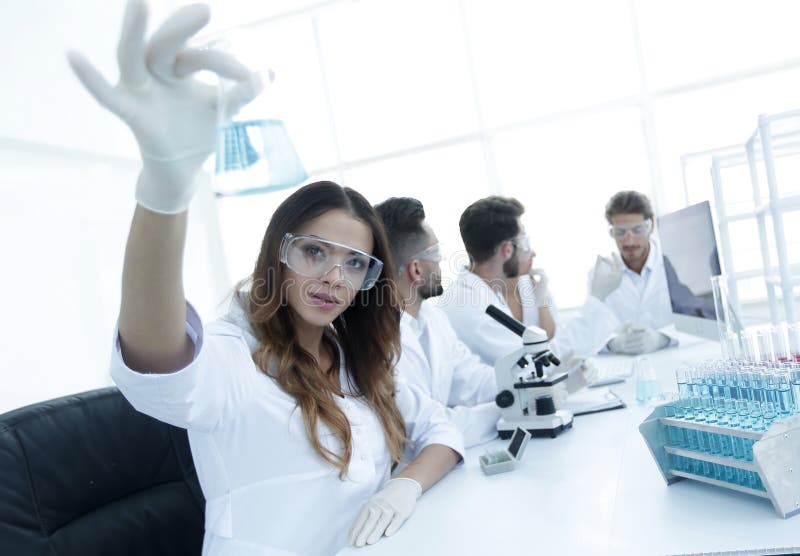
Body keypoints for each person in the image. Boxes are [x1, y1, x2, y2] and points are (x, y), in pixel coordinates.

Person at [68, 2, 463, 554]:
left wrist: (406, 485)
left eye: (355, 262)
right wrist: (165, 189)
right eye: (314, 252)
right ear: (278, 254)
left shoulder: (354, 357)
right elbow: (156, 357)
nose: (334, 276)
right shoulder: (236, 359)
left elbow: (442, 430)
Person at [439, 196, 622, 375]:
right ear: (507, 249)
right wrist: (597, 299)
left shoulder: (487, 292)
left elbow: (547, 346)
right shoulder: (470, 309)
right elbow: (537, 365)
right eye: (524, 242)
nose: (533, 252)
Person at [375, 197, 502, 447]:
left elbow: (472, 380)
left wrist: (522, 384)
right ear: (416, 269)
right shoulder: (377, 340)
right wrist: (510, 408)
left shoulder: (432, 318)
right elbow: (427, 427)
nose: (441, 262)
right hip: (411, 462)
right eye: (436, 253)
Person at [597, 191, 677, 355]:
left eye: (637, 230)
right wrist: (614, 343)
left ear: (650, 226)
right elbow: (590, 331)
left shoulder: (675, 262)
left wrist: (663, 338)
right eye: (620, 232)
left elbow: (704, 324)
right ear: (611, 232)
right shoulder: (599, 274)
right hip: (624, 365)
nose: (629, 240)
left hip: (674, 358)